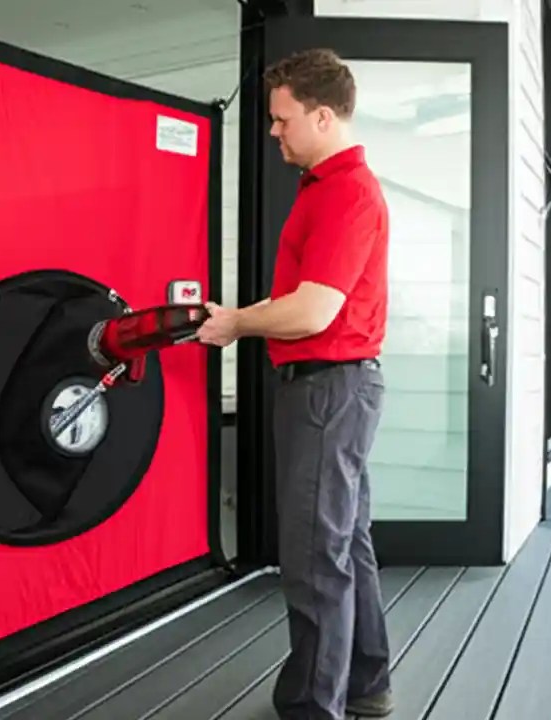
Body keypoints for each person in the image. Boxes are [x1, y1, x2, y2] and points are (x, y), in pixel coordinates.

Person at [195, 48, 393, 720]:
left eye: (283, 119)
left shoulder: (345, 193)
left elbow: (313, 311)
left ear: (323, 116)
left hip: (327, 393)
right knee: (344, 542)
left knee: (315, 554)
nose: (273, 130)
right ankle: (365, 684)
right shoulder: (327, 188)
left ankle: (313, 706)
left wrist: (236, 323)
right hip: (338, 389)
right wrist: (240, 320)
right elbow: (307, 302)